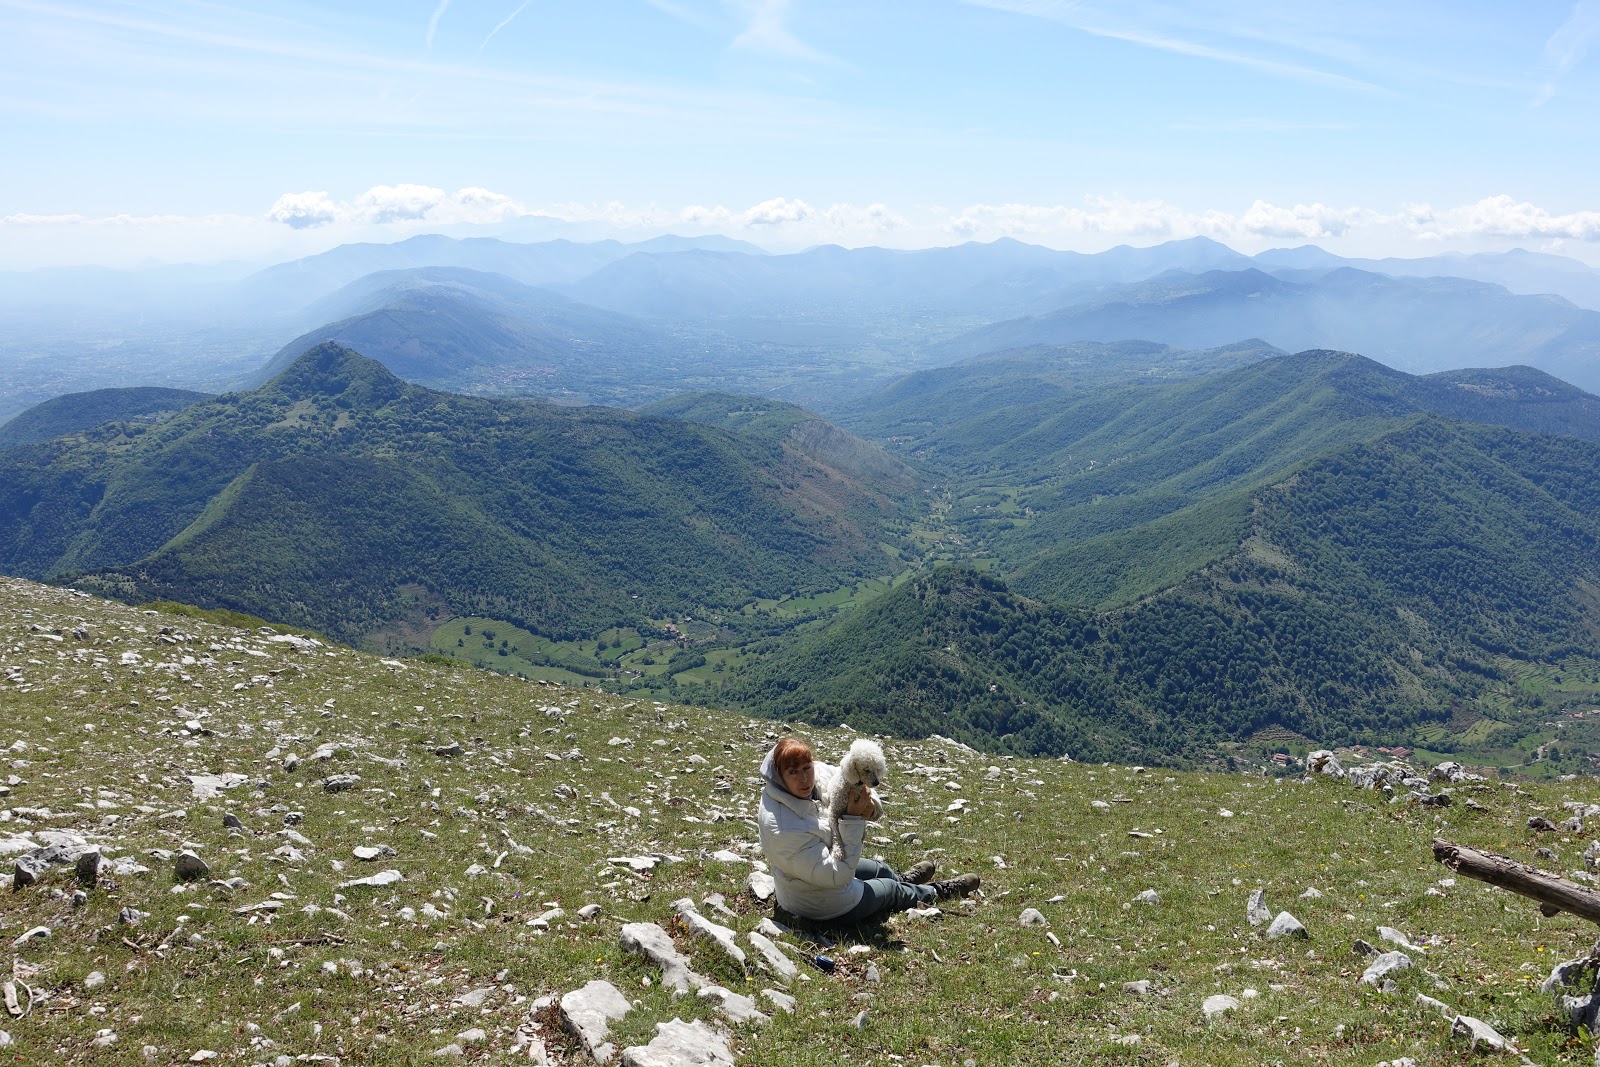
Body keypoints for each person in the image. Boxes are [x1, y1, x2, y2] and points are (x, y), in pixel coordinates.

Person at [756, 735, 979, 925]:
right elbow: (837, 876)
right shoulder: (781, 827)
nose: (805, 778)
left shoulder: (816, 774)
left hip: (823, 868)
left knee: (880, 869)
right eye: (793, 772)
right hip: (819, 900)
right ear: (779, 777)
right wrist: (853, 817)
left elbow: (854, 779)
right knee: (891, 891)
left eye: (807, 768)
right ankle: (938, 891)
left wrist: (870, 808)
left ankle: (904, 881)